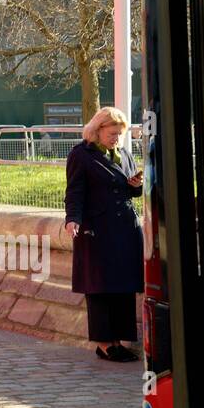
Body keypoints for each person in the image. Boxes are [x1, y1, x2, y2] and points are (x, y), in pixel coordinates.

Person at [64, 107, 144, 362]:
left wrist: (136, 186)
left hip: (124, 229)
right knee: (100, 286)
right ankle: (104, 342)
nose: (116, 139)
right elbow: (74, 191)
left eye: (119, 134)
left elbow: (129, 191)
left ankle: (119, 341)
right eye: (112, 134)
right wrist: (72, 220)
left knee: (123, 286)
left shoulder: (124, 154)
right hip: (97, 229)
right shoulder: (81, 154)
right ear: (97, 130)